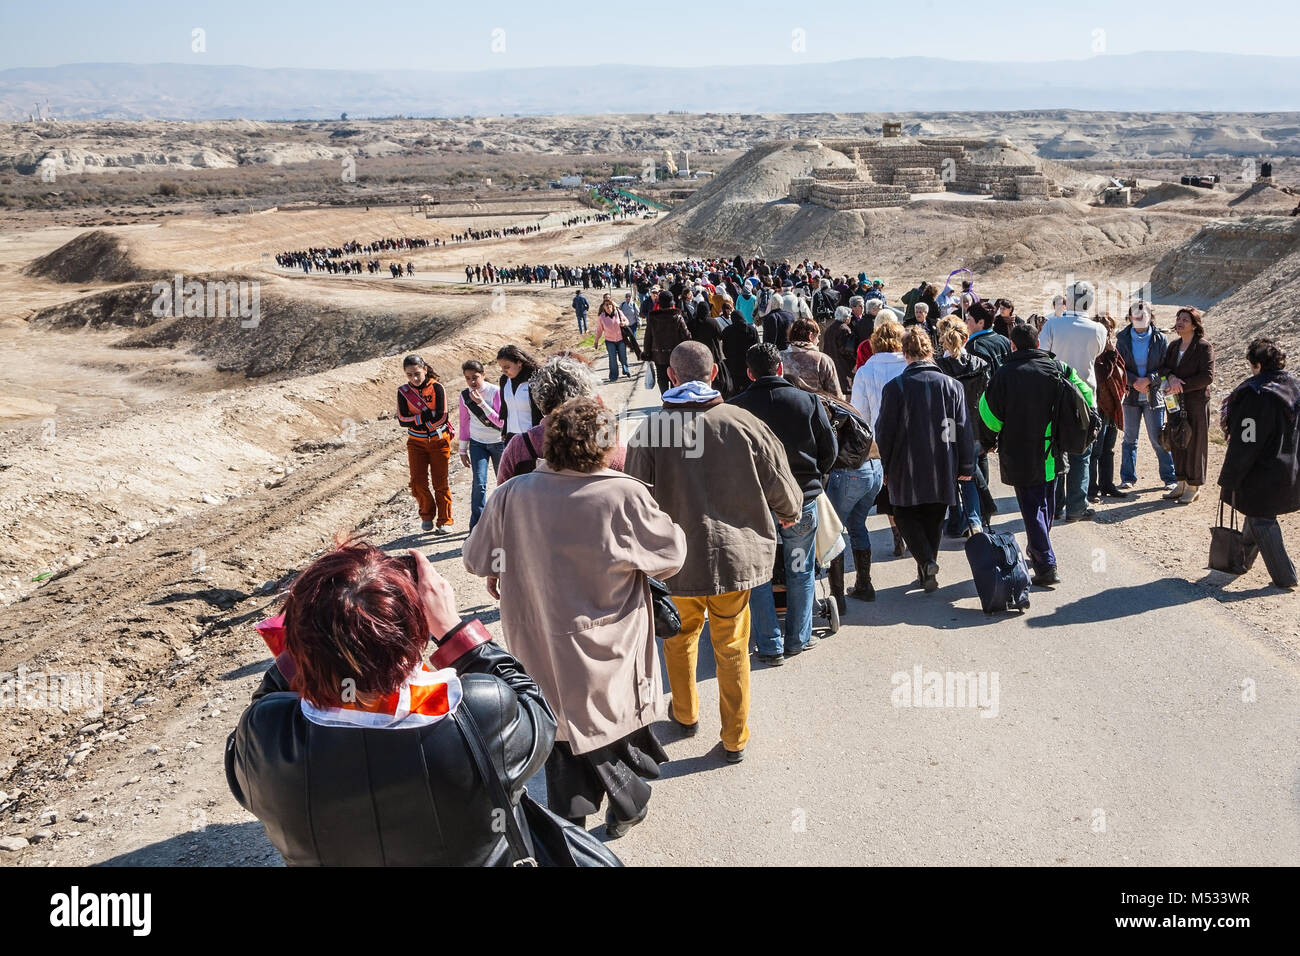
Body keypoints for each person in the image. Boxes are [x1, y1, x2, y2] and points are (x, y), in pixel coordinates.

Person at [226, 540, 557, 866]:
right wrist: (455, 631)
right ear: (417, 632)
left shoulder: (265, 738)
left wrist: (314, 645)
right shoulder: (484, 713)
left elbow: (266, 704)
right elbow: (536, 707)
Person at [464, 398, 687, 836]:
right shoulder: (622, 493)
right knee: (606, 724)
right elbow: (670, 555)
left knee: (563, 734)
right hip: (609, 642)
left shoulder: (513, 493)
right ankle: (627, 799)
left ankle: (579, 824)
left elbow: (477, 559)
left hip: (538, 641)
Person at [624, 342, 803, 764]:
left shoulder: (651, 431)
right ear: (714, 375)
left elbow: (631, 500)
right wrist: (790, 512)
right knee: (731, 646)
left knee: (680, 638)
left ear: (670, 377)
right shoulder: (742, 422)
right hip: (732, 559)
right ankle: (735, 737)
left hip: (675, 565)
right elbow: (780, 481)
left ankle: (685, 714)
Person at [730, 342, 838, 663]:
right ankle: (797, 639)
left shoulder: (737, 409)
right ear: (780, 368)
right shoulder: (808, 402)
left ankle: (769, 643)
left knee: (759, 574)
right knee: (801, 569)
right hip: (801, 499)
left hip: (755, 504)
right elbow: (828, 452)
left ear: (749, 373)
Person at [978, 323, 1094, 587]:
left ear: (1013, 345)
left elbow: (988, 414)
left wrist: (988, 441)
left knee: (1032, 508)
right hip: (1051, 449)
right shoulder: (1059, 369)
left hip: (1019, 453)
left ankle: (1046, 564)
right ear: (1039, 344)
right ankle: (1039, 548)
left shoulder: (1004, 374)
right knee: (1046, 505)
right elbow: (1086, 396)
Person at [875, 328, 974, 593]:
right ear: (930, 351)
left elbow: (885, 431)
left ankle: (927, 563)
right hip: (942, 460)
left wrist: (882, 464)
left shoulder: (895, 387)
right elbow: (959, 427)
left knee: (904, 513)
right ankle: (927, 568)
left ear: (905, 354)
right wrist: (965, 465)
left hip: (905, 463)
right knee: (934, 515)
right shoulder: (952, 386)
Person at [1217, 338, 1300, 589]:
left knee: (1262, 518)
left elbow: (1246, 442)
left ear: (1257, 364)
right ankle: (1241, 561)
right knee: (1255, 513)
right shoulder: (1294, 387)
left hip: (1261, 472)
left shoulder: (1256, 394)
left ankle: (1285, 576)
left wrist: (1229, 478)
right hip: (1290, 467)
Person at [1041, 280, 1107, 522]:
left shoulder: (1052, 325)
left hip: (1055, 397)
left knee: (1056, 451)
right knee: (1082, 452)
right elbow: (1097, 353)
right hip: (1085, 397)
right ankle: (1077, 507)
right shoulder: (1098, 330)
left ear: (1067, 300)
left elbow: (1043, 354)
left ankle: (1056, 505)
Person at [498, 356, 619, 482]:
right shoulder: (605, 436)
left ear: (540, 398)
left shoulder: (519, 446)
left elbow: (502, 495)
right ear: (587, 394)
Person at [851, 319, 909, 556]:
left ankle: (897, 534)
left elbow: (858, 411)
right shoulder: (908, 366)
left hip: (879, 440)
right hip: (909, 437)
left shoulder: (866, 371)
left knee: (889, 491)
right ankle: (911, 533)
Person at [1115, 302, 1179, 493]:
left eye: (1144, 313)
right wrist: (1134, 381)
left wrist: (1149, 381)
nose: (1140, 315)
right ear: (1130, 317)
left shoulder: (1161, 339)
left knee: (1158, 438)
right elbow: (1119, 365)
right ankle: (1127, 478)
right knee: (1129, 439)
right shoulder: (1122, 339)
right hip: (1131, 394)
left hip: (1154, 395)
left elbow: (1166, 367)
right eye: (1135, 313)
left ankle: (1170, 478)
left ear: (1151, 316)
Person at [936, 319, 991, 536]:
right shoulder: (979, 364)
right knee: (969, 475)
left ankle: (956, 518)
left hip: (947, 426)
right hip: (974, 426)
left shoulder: (938, 366)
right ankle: (975, 519)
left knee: (950, 474)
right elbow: (987, 400)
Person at [1158, 306, 1216, 504]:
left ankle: (1194, 486)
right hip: (1174, 402)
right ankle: (1180, 482)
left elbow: (1207, 376)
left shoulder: (1203, 347)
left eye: (1185, 319)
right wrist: (1171, 377)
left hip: (1196, 402)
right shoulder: (1173, 346)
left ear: (1194, 325)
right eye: (1179, 318)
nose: (1180, 322)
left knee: (1195, 442)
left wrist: (1180, 386)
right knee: (1176, 439)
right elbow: (1163, 368)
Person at [397, 355, 453, 534]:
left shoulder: (437, 387)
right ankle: (427, 514)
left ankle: (445, 520)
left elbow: (443, 416)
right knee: (417, 482)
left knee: (440, 482)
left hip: (439, 441)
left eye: (417, 373)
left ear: (425, 370)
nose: (414, 378)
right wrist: (424, 417)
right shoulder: (403, 392)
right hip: (416, 442)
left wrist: (420, 422)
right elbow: (402, 419)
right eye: (409, 375)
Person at [457, 360, 505, 531]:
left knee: (504, 483)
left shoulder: (496, 392)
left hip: (498, 443)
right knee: (479, 483)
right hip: (477, 444)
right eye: (468, 378)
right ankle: (477, 527)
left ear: (483, 375)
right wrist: (462, 450)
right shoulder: (464, 396)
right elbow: (464, 423)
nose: (472, 382)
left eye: (475, 377)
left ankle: (503, 522)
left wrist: (481, 404)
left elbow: (500, 422)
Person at [1090, 314, 1129, 502]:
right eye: (1105, 327)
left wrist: (1125, 390)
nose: (1109, 331)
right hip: (1098, 407)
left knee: (1109, 449)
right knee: (1095, 450)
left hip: (1113, 407)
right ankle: (1091, 488)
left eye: (1111, 328)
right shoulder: (1094, 352)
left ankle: (1107, 485)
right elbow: (1102, 375)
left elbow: (1122, 375)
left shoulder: (1113, 351)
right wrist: (1110, 354)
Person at [642, 290, 691, 394]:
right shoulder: (677, 317)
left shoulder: (652, 318)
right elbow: (687, 337)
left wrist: (647, 353)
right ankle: (675, 401)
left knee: (662, 378)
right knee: (675, 379)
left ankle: (665, 400)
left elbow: (647, 338)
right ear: (671, 303)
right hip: (676, 355)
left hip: (659, 355)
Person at [781, 317, 844, 398]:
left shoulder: (780, 357)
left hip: (785, 405)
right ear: (810, 336)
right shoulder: (822, 359)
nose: (818, 341)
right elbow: (835, 395)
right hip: (817, 408)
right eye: (817, 336)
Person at [497, 345, 543, 445]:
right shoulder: (504, 380)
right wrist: (505, 430)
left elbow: (541, 410)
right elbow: (506, 408)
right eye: (501, 367)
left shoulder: (535, 380)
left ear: (519, 363)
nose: (504, 371)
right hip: (511, 437)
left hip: (533, 437)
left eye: (507, 367)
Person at [593, 296, 632, 382]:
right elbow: (599, 330)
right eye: (606, 305)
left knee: (623, 357)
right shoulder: (601, 317)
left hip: (621, 339)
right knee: (612, 358)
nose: (608, 306)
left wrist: (624, 323)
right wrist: (596, 341)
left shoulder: (618, 312)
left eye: (610, 304)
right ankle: (614, 375)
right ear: (603, 307)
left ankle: (626, 369)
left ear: (612, 305)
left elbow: (627, 321)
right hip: (610, 341)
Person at [822, 305, 858, 395]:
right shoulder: (844, 329)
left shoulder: (830, 328)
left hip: (831, 361)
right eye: (850, 316)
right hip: (843, 364)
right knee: (845, 390)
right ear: (846, 318)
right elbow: (846, 350)